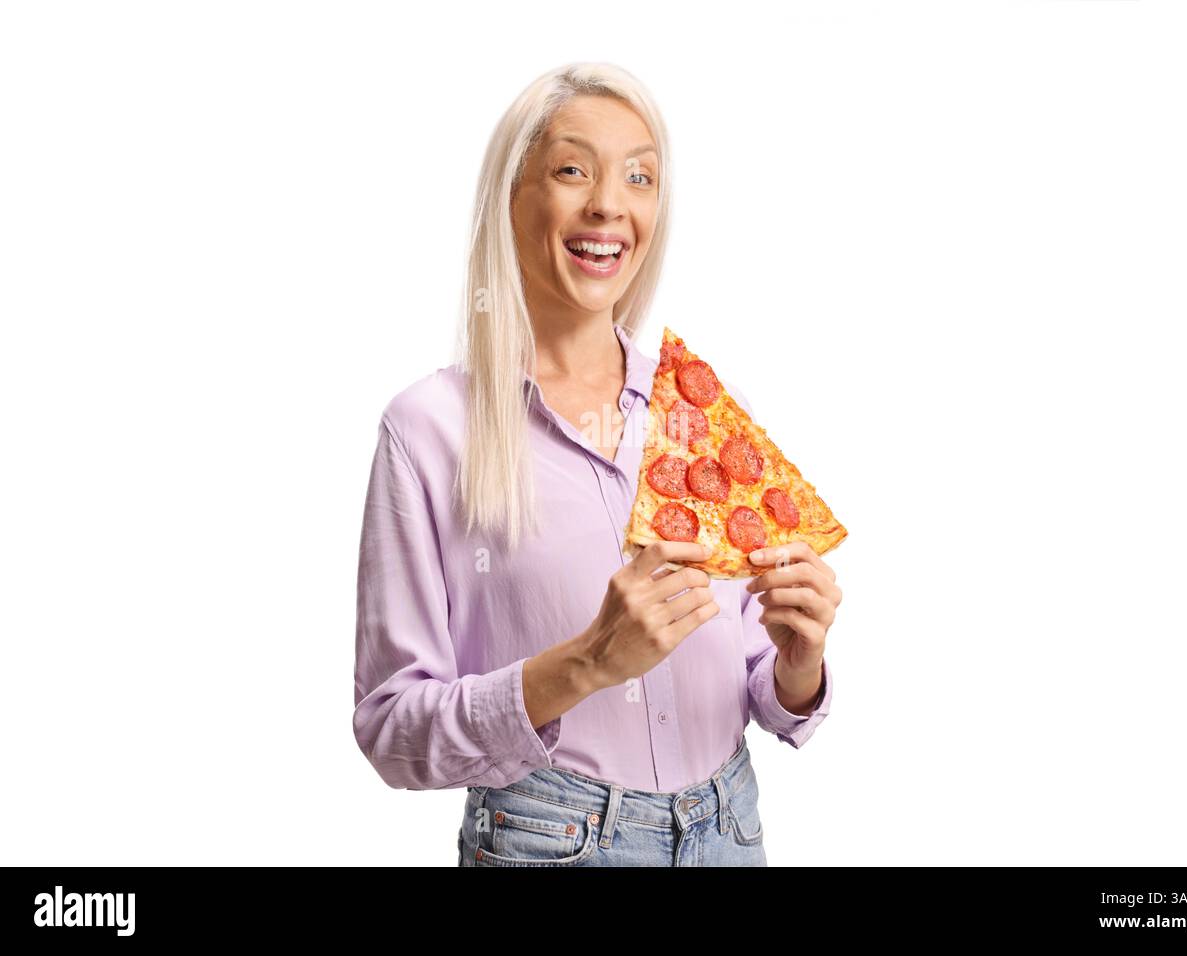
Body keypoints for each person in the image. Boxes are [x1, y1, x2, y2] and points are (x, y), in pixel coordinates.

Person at [352, 62, 842, 866]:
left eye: (640, 176)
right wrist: (583, 665)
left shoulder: (701, 413)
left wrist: (799, 664)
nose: (610, 204)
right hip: (550, 840)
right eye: (573, 169)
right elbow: (390, 731)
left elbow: (767, 684)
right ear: (513, 199)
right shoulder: (428, 431)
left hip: (731, 829)